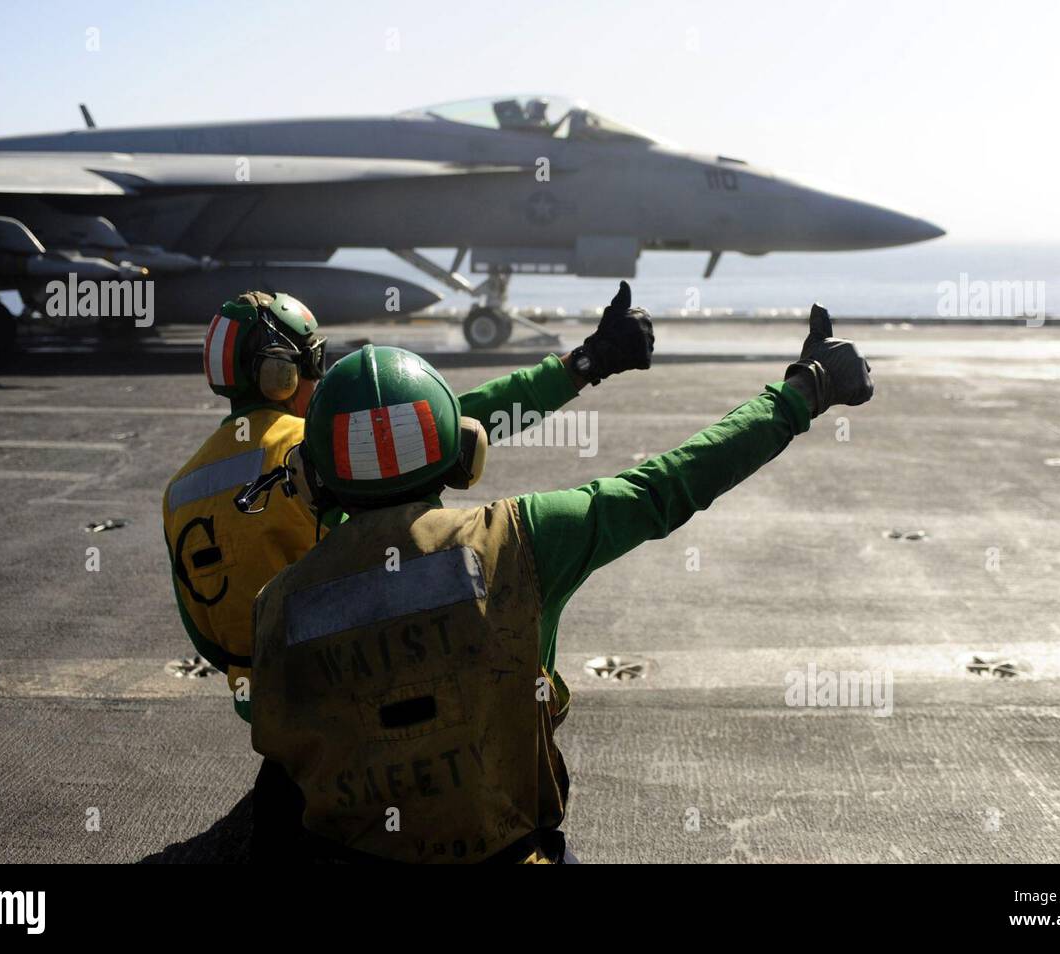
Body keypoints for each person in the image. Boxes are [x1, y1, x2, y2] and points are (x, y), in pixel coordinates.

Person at [247, 293, 873, 863]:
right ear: (464, 453)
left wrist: (584, 363)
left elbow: (284, 753)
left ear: (310, 474)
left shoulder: (277, 606)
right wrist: (802, 392)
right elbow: (669, 484)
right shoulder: (526, 538)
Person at [163, 287, 655, 723]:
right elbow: (452, 423)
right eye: (316, 360)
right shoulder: (313, 449)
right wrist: (587, 363)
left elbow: (204, 638)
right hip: (355, 685)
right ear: (282, 375)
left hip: (266, 708)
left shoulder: (180, 489)